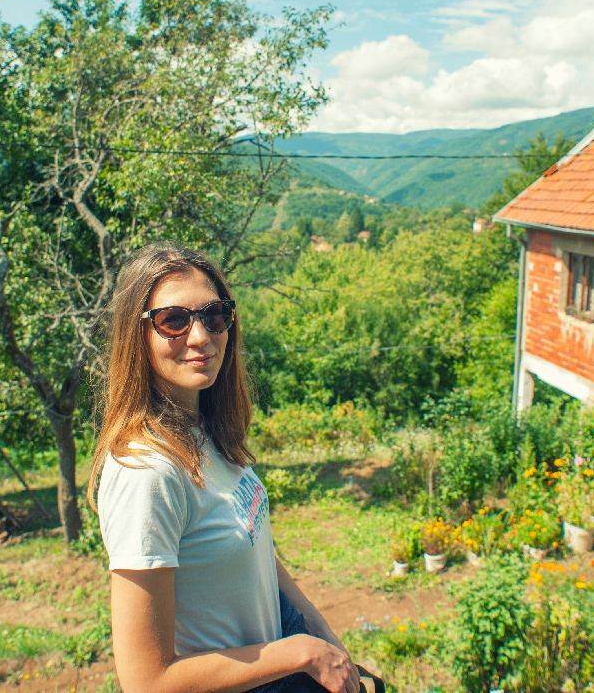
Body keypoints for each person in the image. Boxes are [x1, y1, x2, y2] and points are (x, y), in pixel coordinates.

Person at [86, 243, 380, 693]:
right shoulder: (148, 474)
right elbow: (147, 682)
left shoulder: (204, 431)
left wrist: (327, 645)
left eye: (213, 314)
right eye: (173, 320)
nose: (201, 336)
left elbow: (263, 555)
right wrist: (300, 653)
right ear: (136, 335)